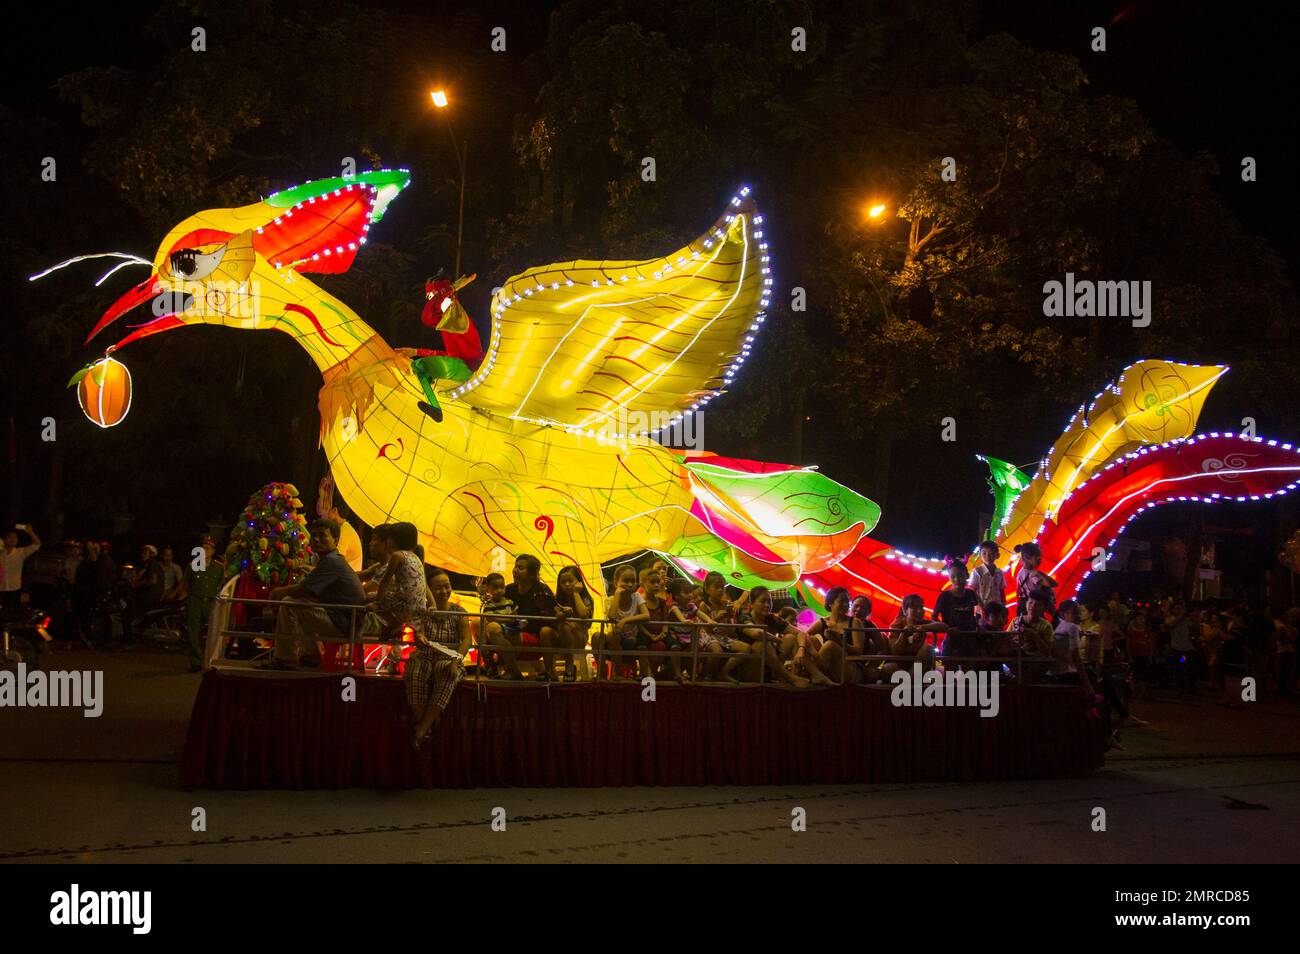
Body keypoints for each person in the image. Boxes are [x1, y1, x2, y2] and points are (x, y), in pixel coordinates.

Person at [262, 518, 366, 670]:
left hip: (344, 623)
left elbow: (304, 589)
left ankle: (286, 659)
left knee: (288, 603)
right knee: (299, 603)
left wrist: (277, 591)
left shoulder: (333, 561)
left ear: (335, 540)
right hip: (342, 618)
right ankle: (311, 655)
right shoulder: (329, 560)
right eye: (314, 535)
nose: (317, 539)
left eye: (323, 536)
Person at [407, 570, 471, 749]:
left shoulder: (458, 611)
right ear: (429, 590)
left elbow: (466, 639)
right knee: (415, 671)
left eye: (447, 586)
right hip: (425, 655)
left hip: (448, 657)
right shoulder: (423, 610)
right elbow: (417, 633)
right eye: (438, 588)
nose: (444, 591)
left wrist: (455, 661)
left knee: (446, 673)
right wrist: (418, 636)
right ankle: (425, 728)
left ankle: (421, 730)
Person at [489, 554, 563, 681]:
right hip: (511, 631)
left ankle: (513, 671)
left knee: (493, 628)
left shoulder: (541, 591)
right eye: (515, 566)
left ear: (532, 575)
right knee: (477, 624)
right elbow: (495, 606)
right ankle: (491, 667)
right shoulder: (510, 589)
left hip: (533, 638)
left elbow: (555, 613)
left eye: (520, 567)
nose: (515, 570)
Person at [366, 522, 428, 674]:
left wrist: (376, 602)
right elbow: (424, 584)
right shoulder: (416, 557)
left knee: (369, 599)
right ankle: (394, 628)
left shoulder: (397, 555)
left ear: (390, 541)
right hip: (419, 609)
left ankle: (394, 625)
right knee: (385, 600)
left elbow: (385, 582)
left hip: (404, 605)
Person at [726, 585, 817, 687]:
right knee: (762, 643)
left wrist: (801, 649)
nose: (767, 605)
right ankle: (792, 678)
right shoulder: (744, 617)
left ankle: (803, 675)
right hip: (750, 670)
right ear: (751, 604)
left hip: (771, 668)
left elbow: (799, 633)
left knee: (792, 639)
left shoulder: (772, 618)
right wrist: (778, 640)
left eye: (769, 601)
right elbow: (757, 633)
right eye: (762, 601)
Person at [181, 537, 226, 672]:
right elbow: (186, 584)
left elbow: (221, 585)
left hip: (210, 602)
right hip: (195, 600)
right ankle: (196, 662)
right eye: (202, 548)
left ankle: (212, 660)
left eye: (207, 548)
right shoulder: (193, 565)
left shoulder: (218, 568)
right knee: (193, 632)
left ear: (212, 551)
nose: (204, 551)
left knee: (213, 630)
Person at [806, 587, 862, 683]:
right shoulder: (822, 622)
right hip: (828, 668)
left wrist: (839, 641)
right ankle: (813, 674)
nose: (845, 605)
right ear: (830, 603)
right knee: (809, 639)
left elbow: (858, 651)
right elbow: (803, 636)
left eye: (847, 601)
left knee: (830, 645)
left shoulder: (854, 622)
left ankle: (809, 674)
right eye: (841, 601)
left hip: (849, 667)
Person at [603, 564, 649, 681]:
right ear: (616, 582)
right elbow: (612, 617)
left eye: (633, 581)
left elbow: (646, 615)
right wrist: (618, 594)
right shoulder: (610, 600)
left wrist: (625, 620)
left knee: (615, 636)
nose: (630, 584)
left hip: (631, 640)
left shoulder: (637, 596)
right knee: (599, 636)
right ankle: (603, 674)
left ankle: (620, 673)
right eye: (626, 581)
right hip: (614, 639)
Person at [935, 560, 981, 670]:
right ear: (949, 577)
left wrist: (977, 625)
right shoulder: (945, 596)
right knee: (950, 674)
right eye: (953, 576)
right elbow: (934, 616)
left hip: (970, 639)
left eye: (960, 575)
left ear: (967, 575)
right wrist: (946, 628)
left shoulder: (971, 594)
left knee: (969, 674)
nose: (957, 579)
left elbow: (978, 611)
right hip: (952, 641)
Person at [885, 594, 945, 678]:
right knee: (889, 667)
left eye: (922, 607)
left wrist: (923, 627)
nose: (919, 611)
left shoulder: (921, 623)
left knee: (928, 649)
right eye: (915, 608)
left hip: (918, 665)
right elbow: (895, 651)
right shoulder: (896, 626)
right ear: (905, 611)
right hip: (898, 664)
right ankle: (910, 681)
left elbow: (943, 626)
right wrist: (904, 634)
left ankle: (908, 681)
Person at [555, 565, 594, 681]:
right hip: (560, 636)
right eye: (563, 582)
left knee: (566, 626)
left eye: (570, 581)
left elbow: (583, 615)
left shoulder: (585, 598)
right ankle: (549, 672)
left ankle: (569, 664)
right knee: (546, 632)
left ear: (578, 581)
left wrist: (576, 593)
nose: (567, 584)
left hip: (579, 637)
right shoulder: (557, 598)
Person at [1012, 588, 1056, 683]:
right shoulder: (1016, 621)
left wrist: (1034, 635)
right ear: (1026, 603)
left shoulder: (1046, 626)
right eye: (1031, 602)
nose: (1033, 606)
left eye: (1038, 605)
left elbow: (1047, 651)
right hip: (1018, 659)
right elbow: (1007, 640)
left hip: (1036, 661)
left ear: (1043, 608)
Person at [849, 595, 890, 683]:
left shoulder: (870, 626)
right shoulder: (842, 621)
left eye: (863, 608)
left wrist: (870, 667)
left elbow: (882, 648)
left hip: (859, 666)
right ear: (851, 606)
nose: (858, 610)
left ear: (868, 612)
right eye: (856, 606)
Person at [1, 524, 42, 608]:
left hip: (15, 589)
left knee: (13, 613)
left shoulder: (21, 552)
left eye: (15, 537)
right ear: (4, 539)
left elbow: (37, 544)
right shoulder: (0, 552)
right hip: (1, 589)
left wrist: (30, 532)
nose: (12, 539)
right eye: (9, 536)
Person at [1013, 542, 1056, 617]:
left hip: (1024, 606)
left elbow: (1018, 591)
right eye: (1037, 557)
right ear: (1027, 557)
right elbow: (1053, 584)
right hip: (1034, 606)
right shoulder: (1033, 574)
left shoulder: (1021, 572)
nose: (1040, 560)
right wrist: (1040, 573)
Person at [969, 540, 1006, 609]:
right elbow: (972, 591)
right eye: (984, 553)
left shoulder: (999, 572)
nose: (988, 556)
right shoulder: (977, 572)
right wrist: (980, 607)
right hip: (982, 609)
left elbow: (1002, 591)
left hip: (997, 607)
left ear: (997, 555)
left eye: (991, 553)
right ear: (980, 555)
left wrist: (1004, 606)